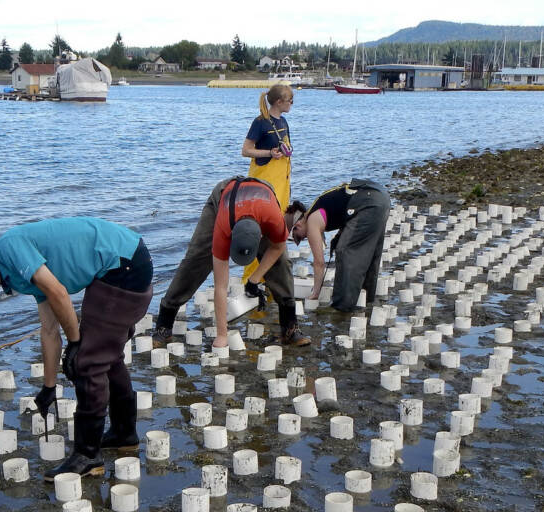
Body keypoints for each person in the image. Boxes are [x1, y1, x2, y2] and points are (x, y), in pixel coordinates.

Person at [0, 217, 153, 479]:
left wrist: (76, 344)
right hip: (125, 260)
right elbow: (49, 330)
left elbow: (59, 292)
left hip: (122, 263)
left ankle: (87, 456)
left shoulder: (9, 247)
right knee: (106, 354)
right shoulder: (19, 275)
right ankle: (124, 434)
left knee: (88, 360)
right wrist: (49, 386)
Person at [152, 176, 310, 347]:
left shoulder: (273, 220)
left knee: (281, 262)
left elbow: (277, 248)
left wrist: (254, 279)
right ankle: (164, 325)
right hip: (223, 197)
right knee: (196, 259)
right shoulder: (223, 228)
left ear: (261, 235)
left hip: (263, 195)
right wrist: (221, 335)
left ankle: (290, 328)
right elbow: (221, 285)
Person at [288, 179, 392, 312]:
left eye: (299, 236)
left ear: (297, 225)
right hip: (379, 197)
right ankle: (365, 297)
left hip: (368, 203)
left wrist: (315, 293)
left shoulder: (312, 221)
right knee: (371, 251)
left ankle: (341, 306)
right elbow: (346, 214)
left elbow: (319, 263)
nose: (304, 238)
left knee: (344, 251)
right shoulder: (317, 208)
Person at [243, 84, 294, 214]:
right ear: (279, 102)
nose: (291, 104)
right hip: (265, 178)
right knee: (264, 212)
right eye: (290, 101)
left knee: (280, 212)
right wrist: (270, 153)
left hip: (282, 179)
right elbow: (246, 150)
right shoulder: (260, 122)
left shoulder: (283, 121)